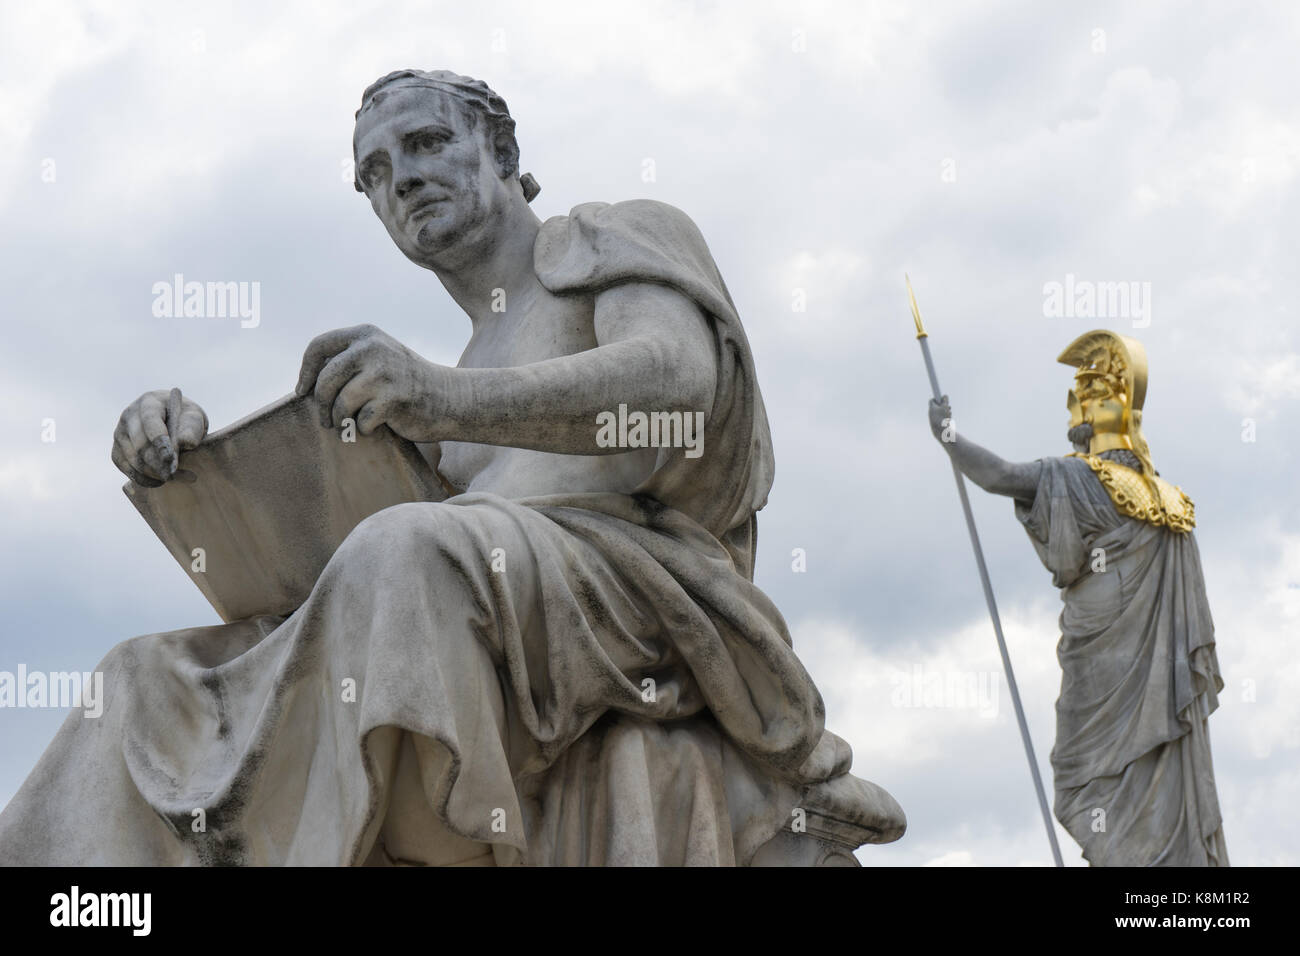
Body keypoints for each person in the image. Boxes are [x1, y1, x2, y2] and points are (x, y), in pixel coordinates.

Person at [0, 70, 901, 866]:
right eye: (376, 175)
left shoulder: (610, 238)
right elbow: (343, 571)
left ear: (502, 150)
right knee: (141, 677)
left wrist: (441, 402)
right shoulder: (454, 381)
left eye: (426, 143)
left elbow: (677, 388)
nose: (404, 180)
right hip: (473, 605)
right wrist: (197, 472)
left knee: (406, 549)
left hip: (640, 591)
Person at [928, 330, 1227, 866]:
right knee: (1150, 760)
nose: (1074, 406)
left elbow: (999, 476)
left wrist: (949, 436)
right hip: (1137, 679)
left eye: (1084, 395)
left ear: (1104, 410)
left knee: (1084, 777)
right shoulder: (1172, 503)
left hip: (1103, 670)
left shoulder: (1077, 477)